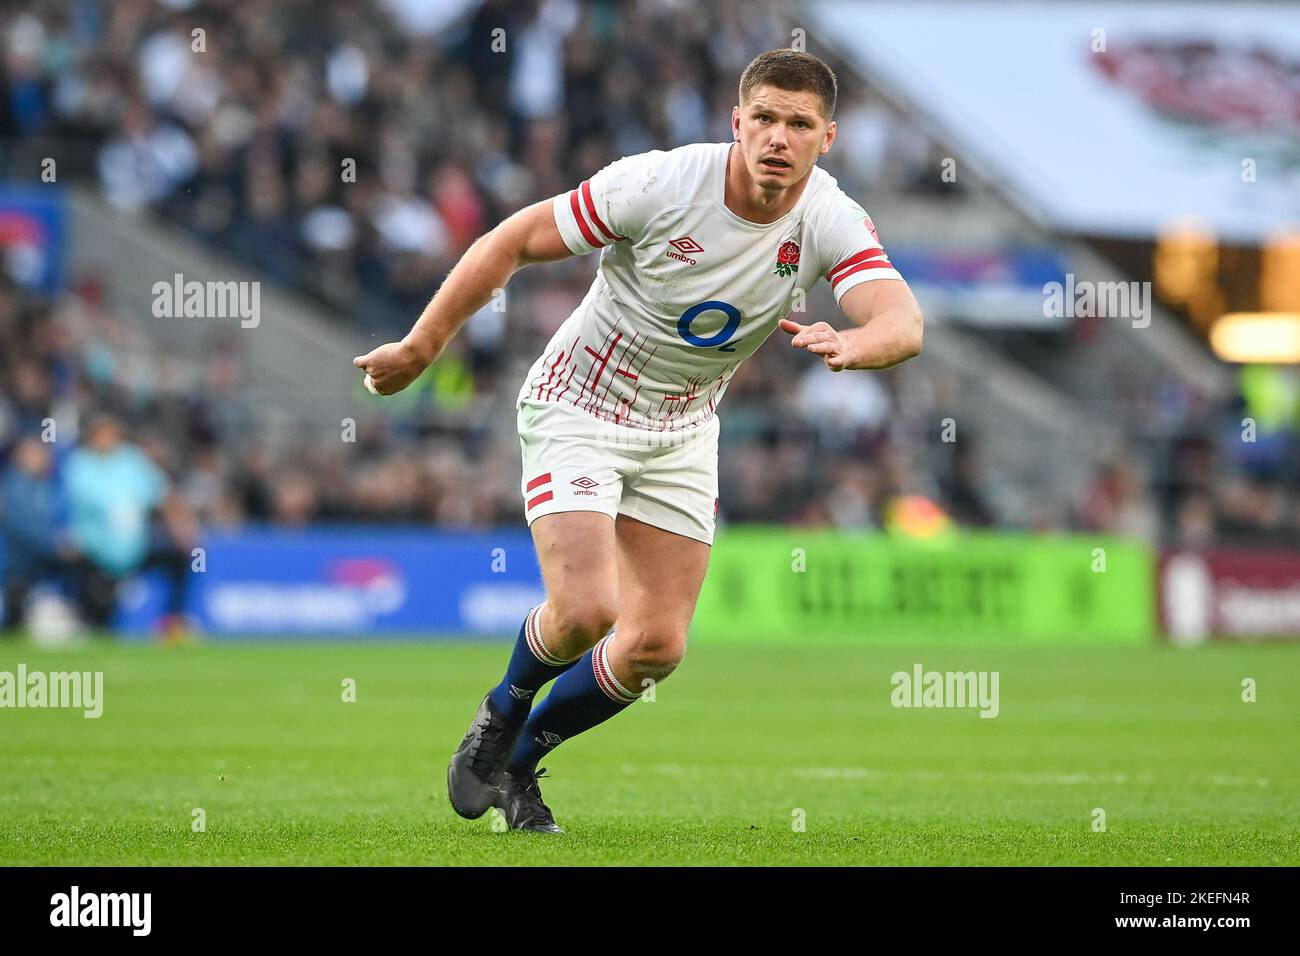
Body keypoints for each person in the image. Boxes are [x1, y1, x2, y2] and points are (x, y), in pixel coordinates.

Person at [353, 49, 924, 832]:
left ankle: (519, 764)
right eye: (763, 117)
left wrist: (863, 344)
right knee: (586, 610)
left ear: (827, 138)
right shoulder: (659, 183)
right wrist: (421, 347)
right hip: (580, 404)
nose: (777, 138)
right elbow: (512, 239)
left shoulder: (828, 216)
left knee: (656, 645)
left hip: (684, 426)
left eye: (798, 124)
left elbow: (901, 319)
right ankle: (500, 713)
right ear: (736, 121)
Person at [64, 415, 195, 635]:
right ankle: (86, 622)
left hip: (134, 550)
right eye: (102, 434)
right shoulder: (78, 465)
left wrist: (181, 529)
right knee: (98, 612)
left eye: (112, 434)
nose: (108, 440)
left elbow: (163, 495)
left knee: (179, 560)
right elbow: (68, 508)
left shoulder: (132, 460)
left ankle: (173, 622)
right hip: (96, 553)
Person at [1, 437, 73, 632]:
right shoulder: (12, 488)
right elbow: (22, 526)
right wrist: (55, 547)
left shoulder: (50, 486)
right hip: (18, 564)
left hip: (45, 563)